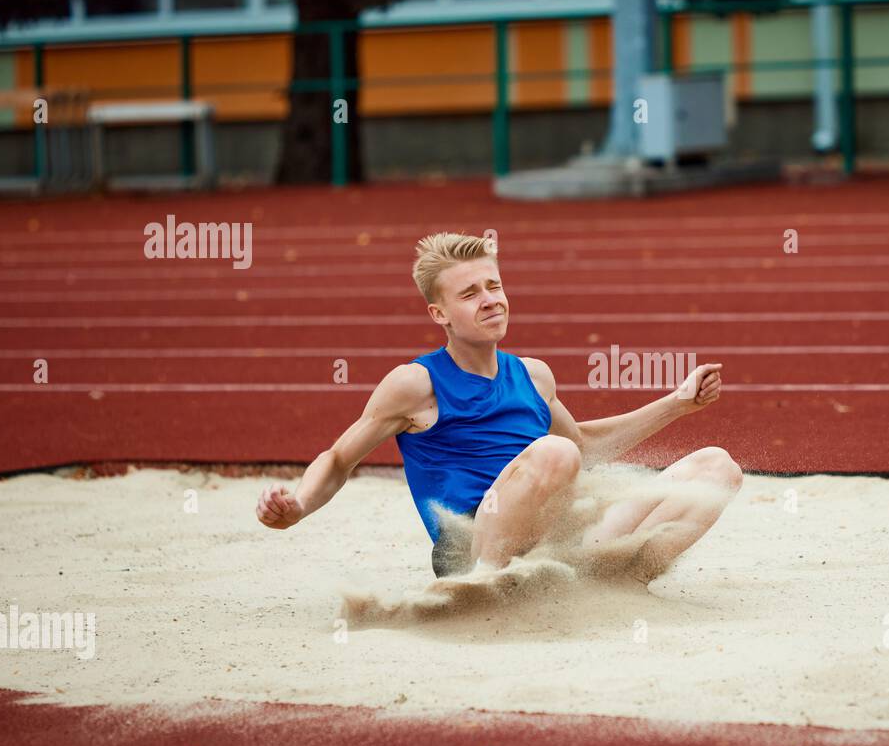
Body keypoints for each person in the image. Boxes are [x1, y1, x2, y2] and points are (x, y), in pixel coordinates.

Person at [255, 232, 742, 582]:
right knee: (554, 453)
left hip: (552, 541)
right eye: (470, 294)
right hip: (473, 546)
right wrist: (298, 505)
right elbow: (340, 459)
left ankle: (614, 582)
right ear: (439, 314)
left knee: (716, 467)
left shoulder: (533, 374)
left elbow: (586, 446)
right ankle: (483, 590)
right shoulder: (415, 383)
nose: (490, 301)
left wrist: (677, 404)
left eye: (494, 287)